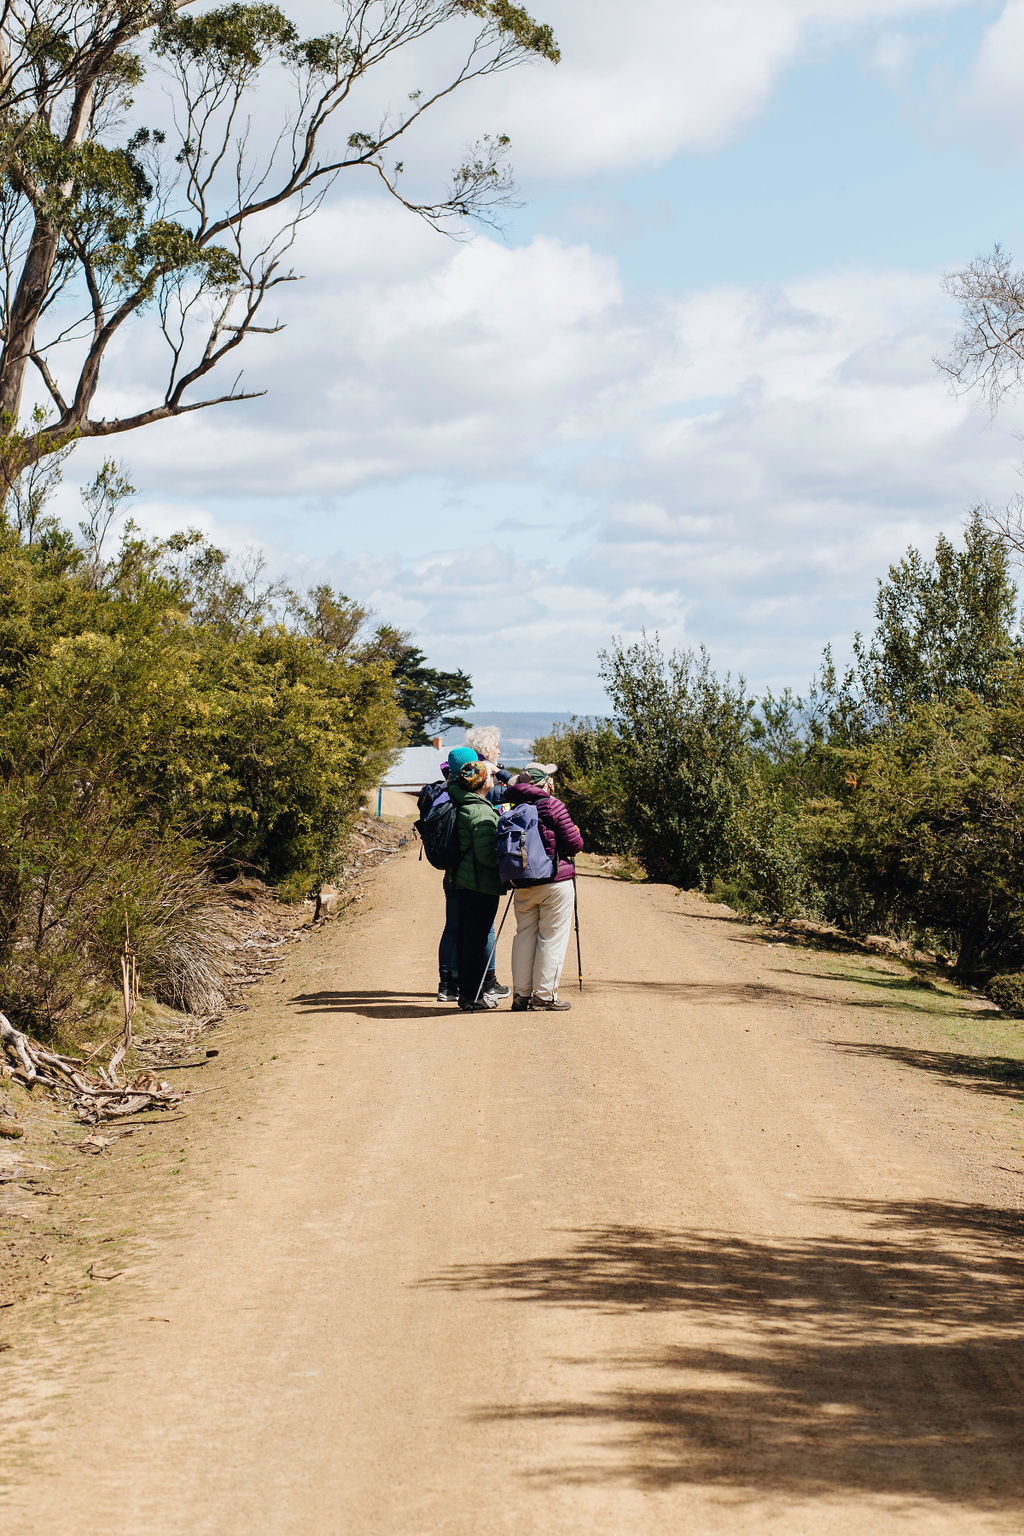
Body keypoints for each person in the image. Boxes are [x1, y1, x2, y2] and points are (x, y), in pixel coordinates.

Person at [505, 762, 584, 1011]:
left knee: (524, 935)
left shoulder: (514, 807)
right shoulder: (552, 804)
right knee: (551, 938)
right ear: (544, 783)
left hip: (523, 882)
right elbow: (574, 845)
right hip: (555, 881)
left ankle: (520, 995)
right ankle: (544, 995)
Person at [448, 757, 508, 1011]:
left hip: (462, 881)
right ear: (482, 782)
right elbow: (485, 855)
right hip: (479, 885)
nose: (493, 781)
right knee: (474, 941)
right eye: (491, 777)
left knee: (465, 939)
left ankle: (468, 992)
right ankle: (472, 997)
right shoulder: (480, 811)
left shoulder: (461, 801)